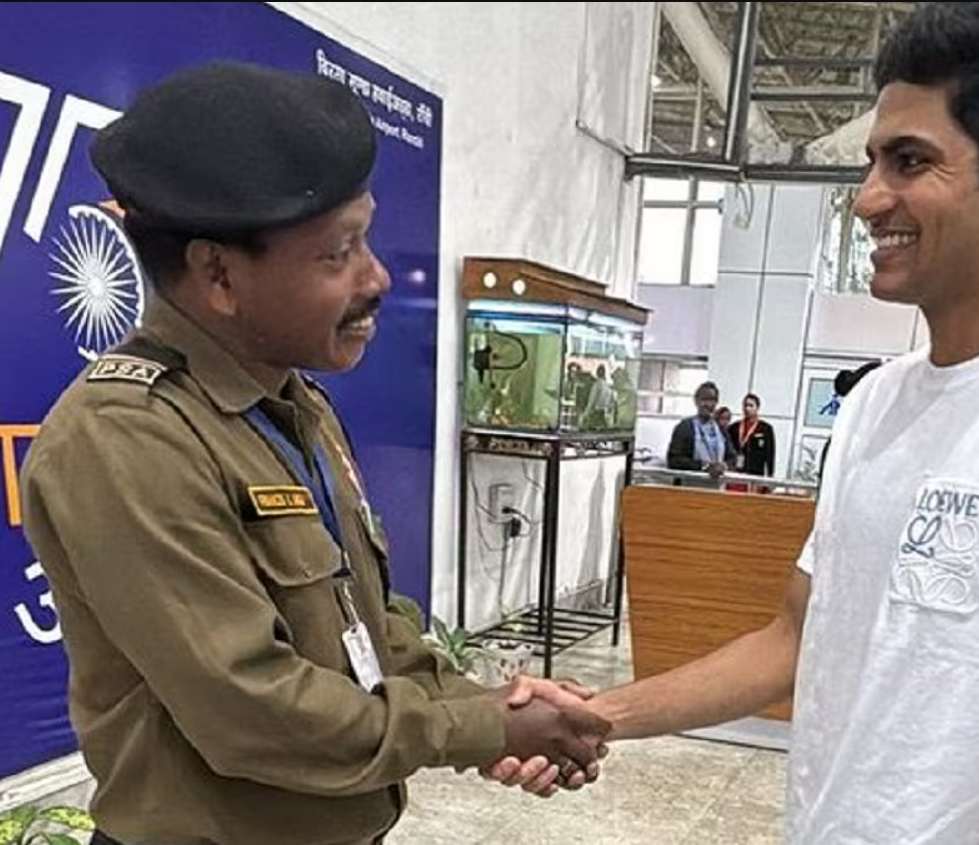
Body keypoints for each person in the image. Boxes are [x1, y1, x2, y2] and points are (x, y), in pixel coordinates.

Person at [571, 5, 979, 843]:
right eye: (872, 160)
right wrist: (598, 712)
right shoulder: (876, 401)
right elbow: (795, 635)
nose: (869, 198)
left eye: (910, 162)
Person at [19, 60, 607, 845]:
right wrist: (481, 731)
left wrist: (487, 704)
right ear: (218, 273)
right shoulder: (127, 438)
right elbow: (251, 710)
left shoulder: (294, 407)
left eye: (367, 236)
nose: (378, 277)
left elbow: (365, 624)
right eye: (339, 252)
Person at [665, 381, 735, 479]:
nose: (708, 404)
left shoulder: (721, 429)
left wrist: (724, 466)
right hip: (689, 487)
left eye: (712, 400)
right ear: (696, 401)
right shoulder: (685, 427)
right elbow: (673, 460)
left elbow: (732, 457)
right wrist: (704, 466)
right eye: (704, 399)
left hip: (716, 488)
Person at [727, 393, 776, 478]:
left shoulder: (765, 429)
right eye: (745, 405)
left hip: (755, 474)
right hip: (735, 472)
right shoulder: (734, 427)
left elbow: (770, 455)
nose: (747, 408)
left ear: (757, 408)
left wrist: (770, 475)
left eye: (751, 406)